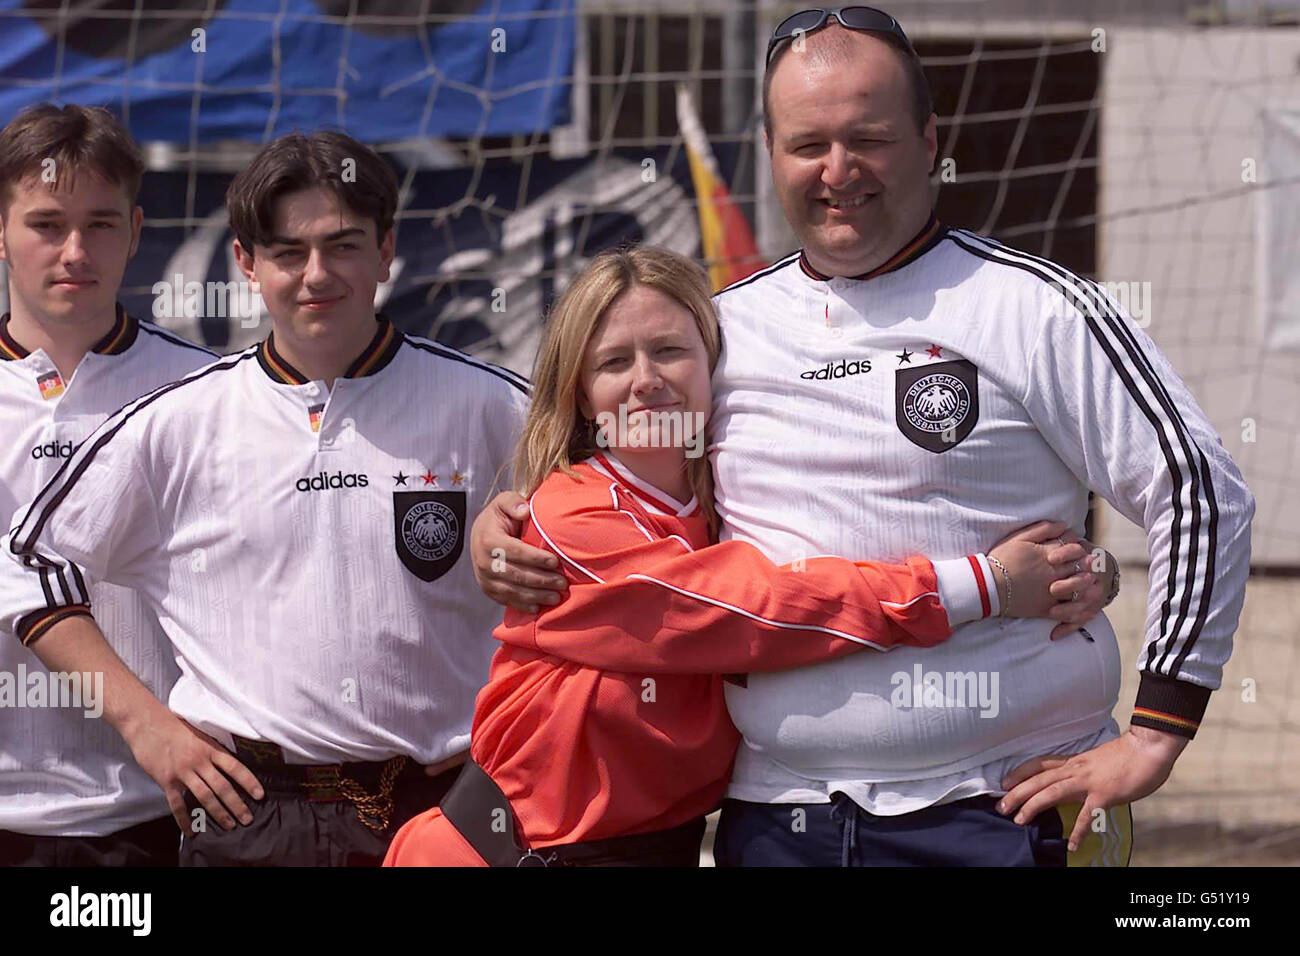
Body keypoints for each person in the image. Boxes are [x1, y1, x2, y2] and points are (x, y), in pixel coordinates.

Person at [470, 8, 1254, 867]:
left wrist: (1156, 732)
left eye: (867, 138)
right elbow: (620, 477)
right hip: (778, 817)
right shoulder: (723, 332)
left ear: (928, 138)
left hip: (1001, 807)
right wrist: (507, 524)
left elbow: (1200, 489)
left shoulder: (1036, 308)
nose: (837, 171)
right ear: (770, 150)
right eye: (808, 144)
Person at [384, 245, 1111, 867]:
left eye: (670, 350)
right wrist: (984, 584)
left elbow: (842, 553)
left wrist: (1084, 573)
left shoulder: (725, 516)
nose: (646, 379)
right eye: (614, 361)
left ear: (715, 368)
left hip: (660, 848)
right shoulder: (569, 517)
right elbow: (761, 608)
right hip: (508, 851)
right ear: (580, 394)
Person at [0, 130, 529, 866]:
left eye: (344, 245)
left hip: (441, 807)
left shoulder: (493, 408)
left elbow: (608, 530)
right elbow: (28, 565)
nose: (317, 274)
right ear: (247, 263)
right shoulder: (176, 420)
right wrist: (149, 726)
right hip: (247, 814)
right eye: (287, 252)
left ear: (386, 252)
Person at [0, 104, 217, 866]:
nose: (74, 250)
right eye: (45, 223)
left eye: (99, 224)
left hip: (159, 802)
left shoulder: (202, 390)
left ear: (134, 230)